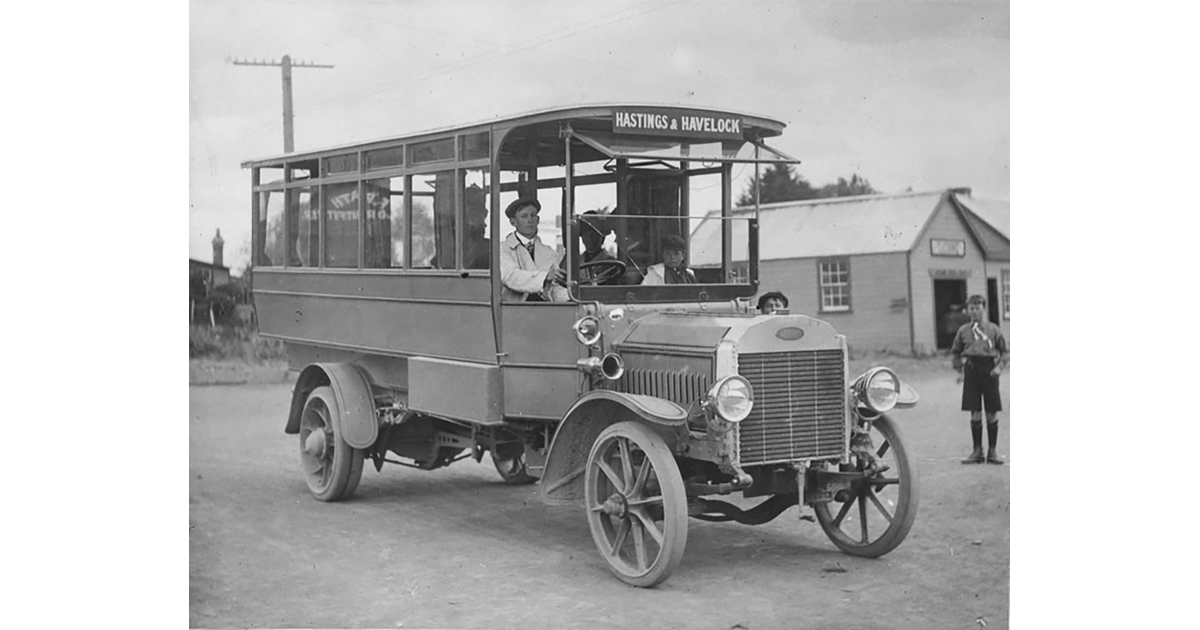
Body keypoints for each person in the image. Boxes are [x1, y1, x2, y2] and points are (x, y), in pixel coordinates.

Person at [951, 294, 1009, 464]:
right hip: (972, 370)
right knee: (974, 411)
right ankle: (977, 451)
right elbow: (955, 352)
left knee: (991, 412)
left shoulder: (993, 329)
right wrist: (960, 371)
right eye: (972, 308)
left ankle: (992, 451)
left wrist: (998, 368)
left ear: (983, 309)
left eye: (978, 307)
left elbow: (1005, 352)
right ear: (968, 310)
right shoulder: (963, 331)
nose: (975, 311)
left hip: (989, 371)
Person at [499, 197, 568, 302]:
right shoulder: (502, 249)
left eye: (533, 216)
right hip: (512, 310)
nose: (529, 220)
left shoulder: (549, 252)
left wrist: (571, 298)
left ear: (538, 220)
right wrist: (545, 277)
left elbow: (555, 288)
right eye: (524, 216)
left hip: (545, 309)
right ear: (513, 222)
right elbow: (510, 277)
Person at [578, 210, 620, 284]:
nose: (589, 238)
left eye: (593, 234)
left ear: (602, 238)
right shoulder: (577, 262)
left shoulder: (611, 263)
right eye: (585, 234)